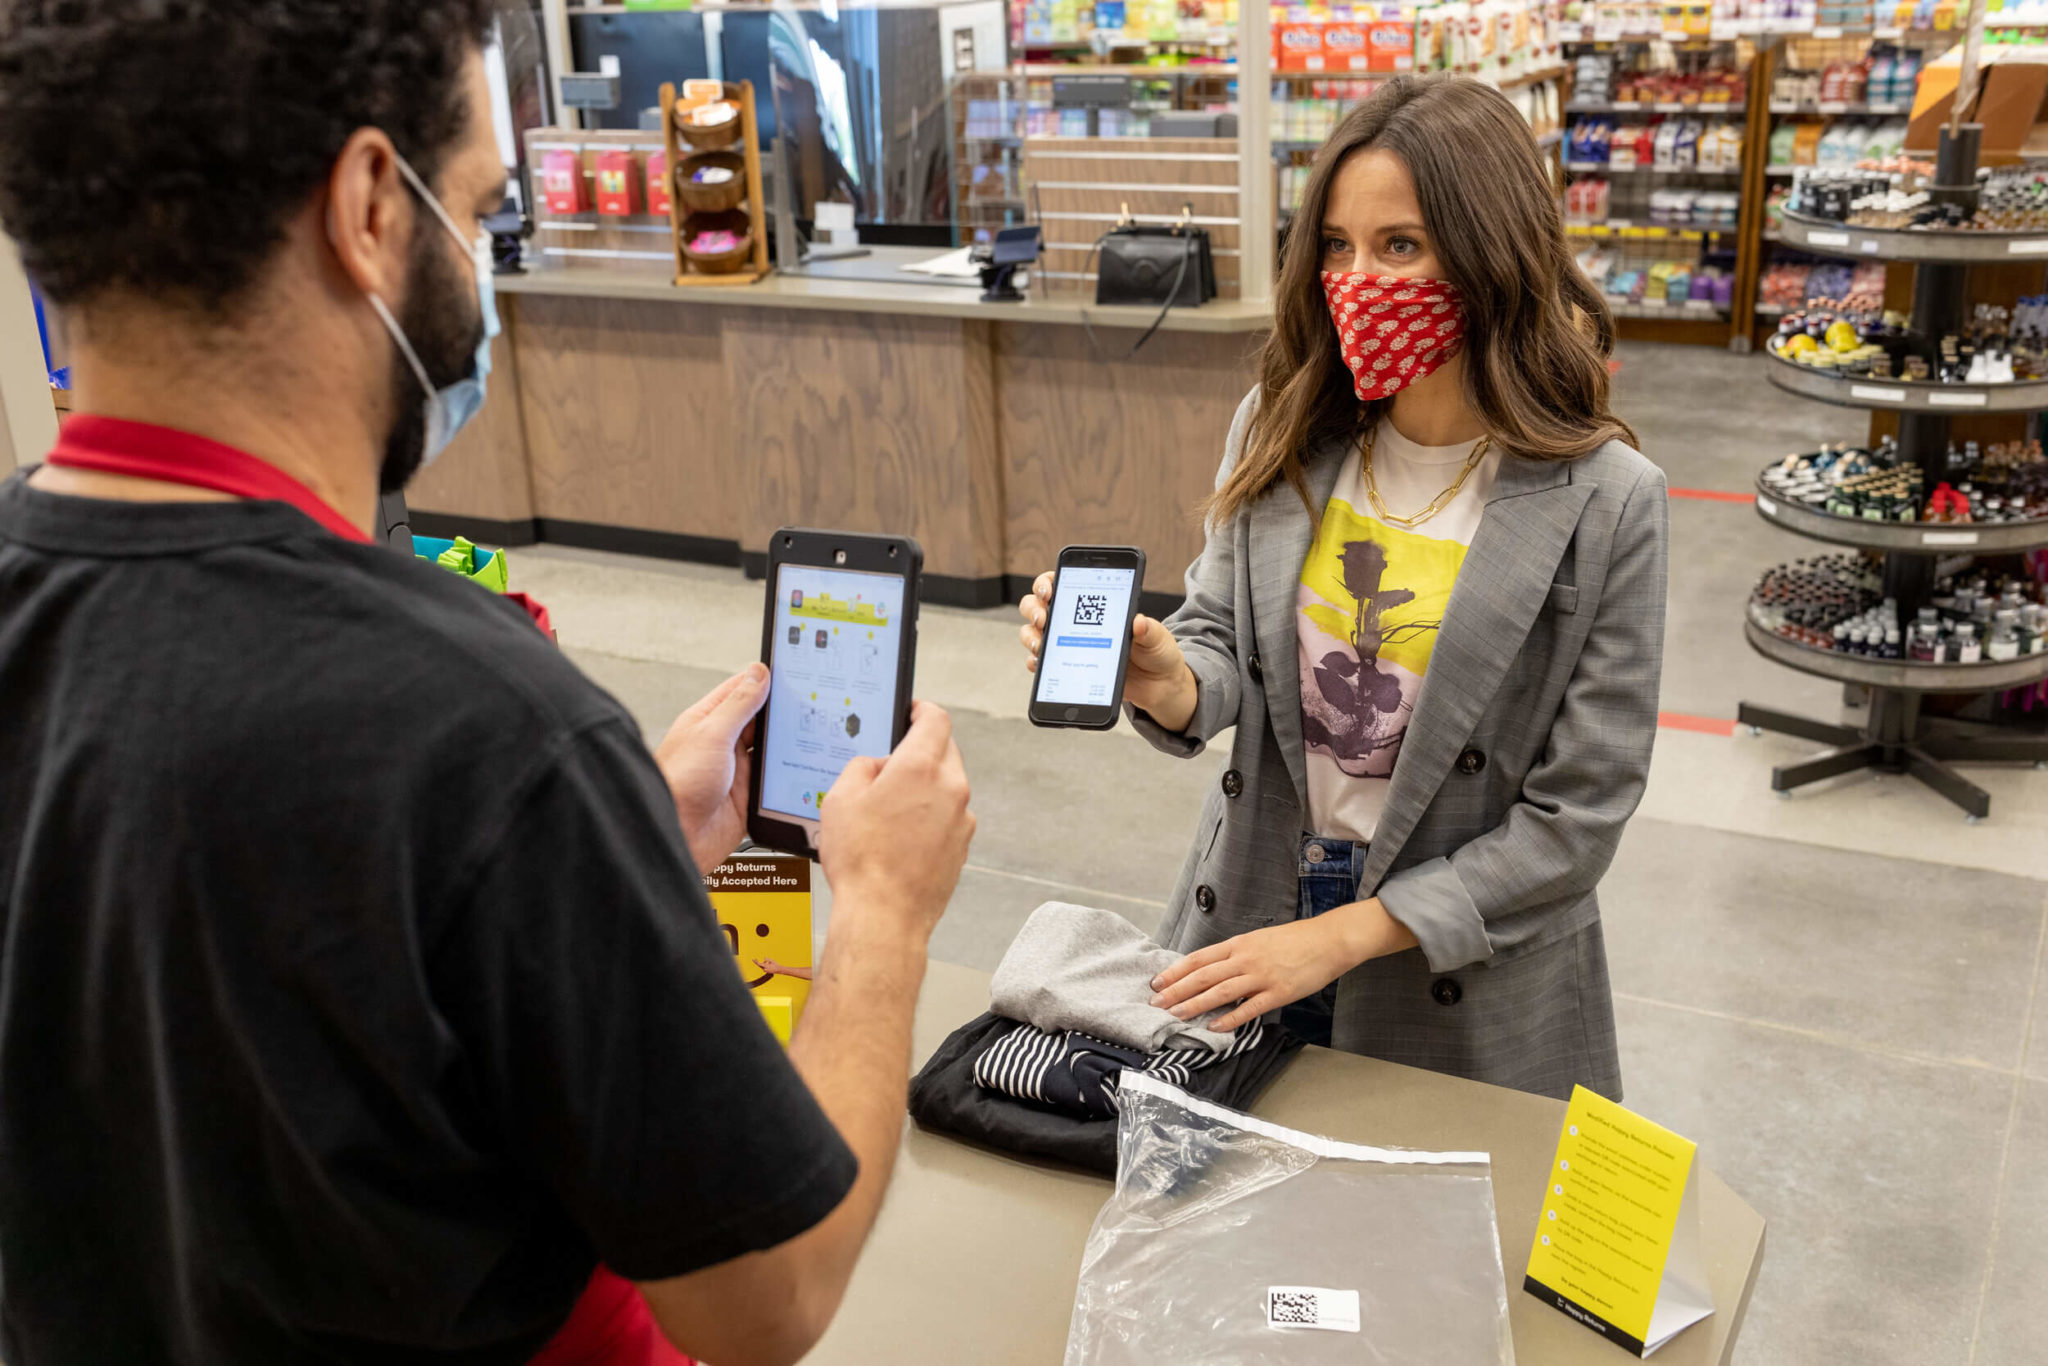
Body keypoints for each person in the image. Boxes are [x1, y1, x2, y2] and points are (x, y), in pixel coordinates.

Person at [0, 4, 975, 1364]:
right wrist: (883, 910)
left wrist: (601, 859)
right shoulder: (484, 725)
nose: (481, 260)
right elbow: (768, 1296)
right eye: (475, 208)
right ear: (368, 207)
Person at [1020, 75, 1667, 1100]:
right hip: (1252, 917)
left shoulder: (1607, 499)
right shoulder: (1282, 425)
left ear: (1491, 251)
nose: (1357, 280)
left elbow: (1576, 817)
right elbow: (1220, 637)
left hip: (1453, 963)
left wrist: (1347, 933)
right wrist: (1169, 679)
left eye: (1399, 245)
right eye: (1334, 245)